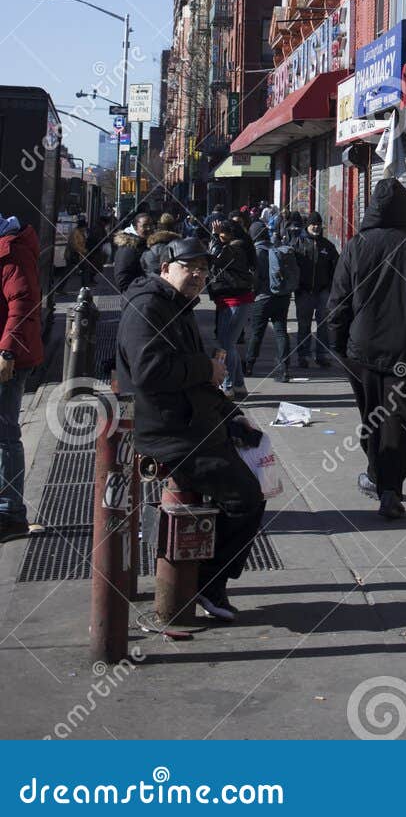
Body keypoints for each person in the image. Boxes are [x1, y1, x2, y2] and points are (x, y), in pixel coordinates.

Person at [116, 239, 265, 621]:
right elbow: (149, 372)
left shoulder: (175, 304)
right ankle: (208, 584)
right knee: (246, 496)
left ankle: (203, 576)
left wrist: (232, 414)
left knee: (253, 461)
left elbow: (196, 378)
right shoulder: (149, 305)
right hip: (170, 431)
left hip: (190, 419)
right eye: (189, 267)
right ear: (166, 268)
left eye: (202, 269)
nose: (198, 275)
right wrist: (206, 369)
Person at [326, 177, 406, 520]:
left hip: (362, 348)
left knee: (370, 415)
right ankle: (390, 487)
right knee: (398, 417)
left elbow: (339, 301)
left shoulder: (356, 245)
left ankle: (377, 474)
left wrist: (337, 344)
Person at [0, 217, 44, 545]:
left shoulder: (11, 250)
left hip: (7, 360)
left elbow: (24, 303)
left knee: (4, 436)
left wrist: (7, 353)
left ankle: (9, 514)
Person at [207, 221, 256, 399]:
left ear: (229, 234)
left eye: (221, 234)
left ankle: (227, 385)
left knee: (225, 346)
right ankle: (238, 385)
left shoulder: (235, 248)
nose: (219, 237)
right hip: (232, 300)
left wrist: (214, 237)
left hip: (234, 300)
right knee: (229, 345)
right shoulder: (238, 246)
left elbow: (214, 259)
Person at [244, 219, 293, 383]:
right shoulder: (277, 249)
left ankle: (249, 365)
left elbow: (255, 279)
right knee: (281, 332)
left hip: (263, 298)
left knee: (257, 333)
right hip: (282, 297)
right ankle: (284, 369)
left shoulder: (256, 253)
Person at [293, 212, 338, 369]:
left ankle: (322, 355)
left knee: (324, 325)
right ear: (308, 225)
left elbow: (336, 268)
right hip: (303, 292)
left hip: (323, 292)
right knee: (304, 325)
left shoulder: (328, 246)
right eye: (314, 224)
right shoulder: (297, 243)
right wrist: (296, 286)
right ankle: (303, 356)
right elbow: (291, 267)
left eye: (319, 224)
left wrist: (331, 288)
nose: (317, 227)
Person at [112, 211, 154, 295]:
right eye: (145, 226)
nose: (149, 228)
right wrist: (140, 293)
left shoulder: (144, 243)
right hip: (137, 298)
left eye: (151, 225)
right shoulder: (128, 248)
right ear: (135, 228)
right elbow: (122, 280)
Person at [63, 214, 92, 290]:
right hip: (72, 255)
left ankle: (85, 286)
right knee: (68, 273)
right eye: (84, 227)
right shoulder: (76, 233)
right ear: (82, 226)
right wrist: (85, 251)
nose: (85, 228)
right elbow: (76, 245)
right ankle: (85, 287)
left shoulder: (80, 232)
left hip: (76, 255)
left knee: (84, 268)